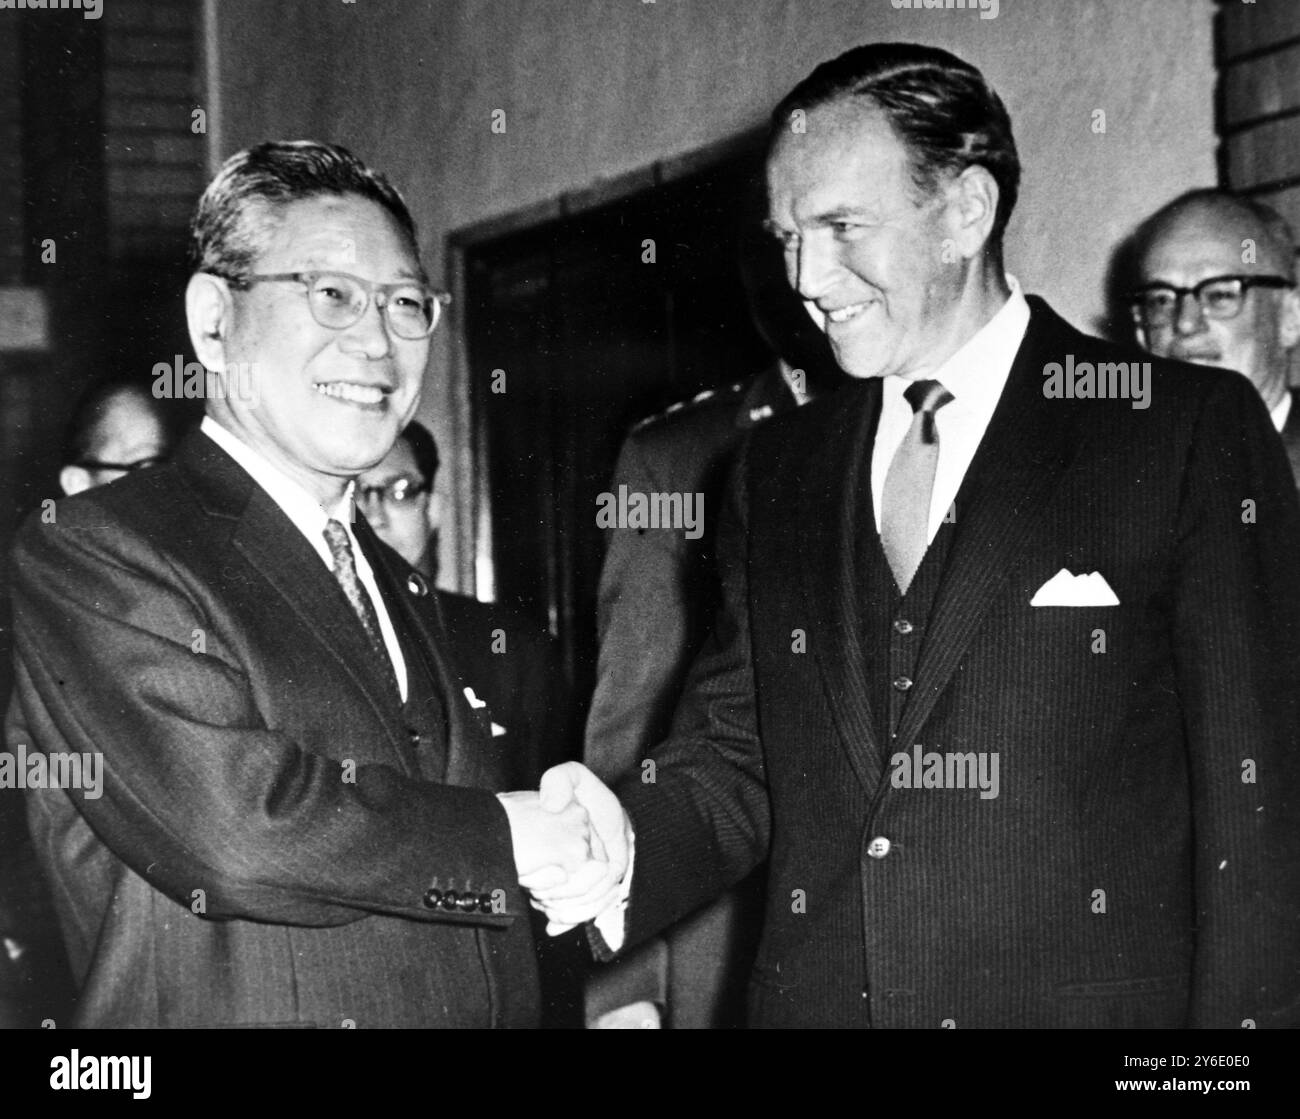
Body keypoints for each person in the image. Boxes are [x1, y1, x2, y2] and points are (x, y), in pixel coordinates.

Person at [530, 42, 1300, 1029]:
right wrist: (620, 840)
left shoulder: (1177, 429)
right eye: (785, 235)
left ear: (965, 212)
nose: (805, 276)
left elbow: (1259, 810)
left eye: (840, 226)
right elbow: (739, 753)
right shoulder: (775, 471)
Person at [3, 140, 593, 1028]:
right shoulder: (101, 552)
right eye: (331, 295)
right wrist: (510, 834)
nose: (377, 340)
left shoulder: (395, 582)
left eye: (404, 303)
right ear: (213, 322)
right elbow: (239, 834)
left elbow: (439, 892)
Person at [582, 226, 842, 1029]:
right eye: (778, 247)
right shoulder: (684, 455)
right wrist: (623, 988)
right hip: (734, 918)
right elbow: (633, 714)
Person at [1, 375, 174, 1027]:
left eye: (168, 468)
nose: (157, 491)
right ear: (75, 483)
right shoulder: (63, 598)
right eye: (138, 468)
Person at [357, 420, 568, 787]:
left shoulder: (512, 648)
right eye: (356, 492)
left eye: (400, 491)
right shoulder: (300, 639)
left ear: (434, 510)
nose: (374, 516)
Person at [1128, 189, 1300, 481]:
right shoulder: (1111, 479)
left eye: (1219, 294)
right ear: (1141, 330)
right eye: (1161, 299)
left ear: (1289, 318)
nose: (1185, 323)